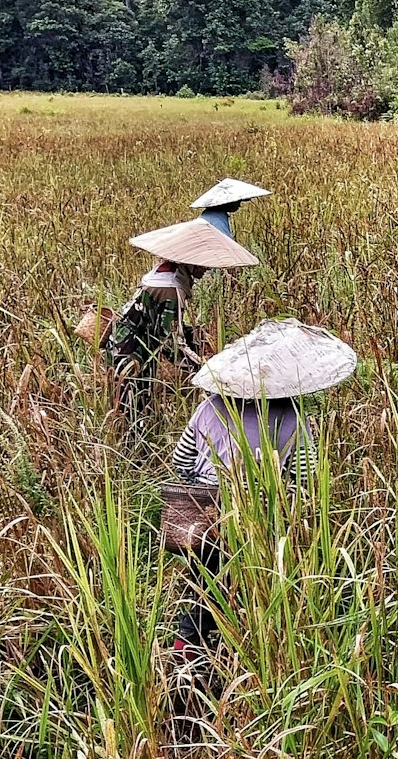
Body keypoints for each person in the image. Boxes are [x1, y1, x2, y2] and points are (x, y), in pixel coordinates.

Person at [166, 318, 354, 686]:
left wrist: (206, 487)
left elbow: (180, 461)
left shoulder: (210, 407)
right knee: (239, 597)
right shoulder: (288, 417)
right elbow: (307, 481)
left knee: (205, 588)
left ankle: (186, 665)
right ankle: (220, 670)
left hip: (199, 517)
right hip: (256, 522)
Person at [104, 215, 258, 439]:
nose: (206, 270)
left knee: (137, 404)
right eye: (203, 264)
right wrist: (205, 371)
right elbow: (170, 343)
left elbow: (164, 323)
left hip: (131, 344)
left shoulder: (165, 271)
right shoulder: (170, 288)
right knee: (133, 409)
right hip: (132, 353)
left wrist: (192, 333)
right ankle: (133, 454)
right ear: (191, 261)